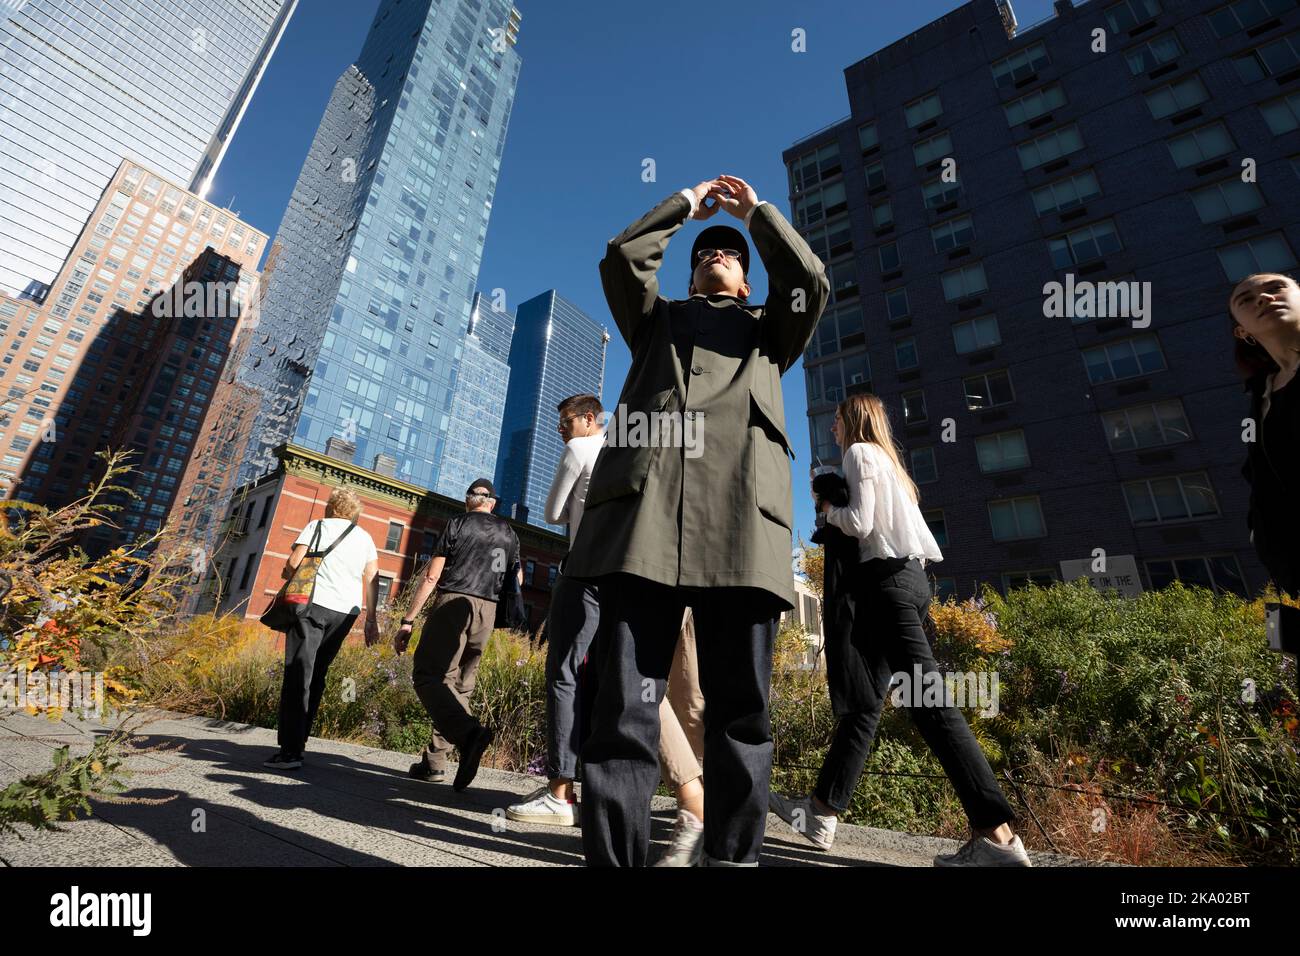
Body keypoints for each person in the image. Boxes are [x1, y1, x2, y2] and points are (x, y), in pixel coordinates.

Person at [565, 174, 830, 866]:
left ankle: (730, 858)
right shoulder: (655, 323)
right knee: (622, 710)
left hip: (743, 529)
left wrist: (756, 215)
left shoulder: (774, 331)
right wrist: (686, 203)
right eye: (706, 253)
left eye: (732, 254)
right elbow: (624, 256)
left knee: (741, 712)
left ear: (747, 281)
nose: (718, 256)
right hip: (644, 527)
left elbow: (810, 277)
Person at [769, 394, 1031, 866]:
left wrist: (827, 508)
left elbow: (859, 522)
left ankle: (998, 837)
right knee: (868, 704)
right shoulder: (893, 468)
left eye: (836, 422)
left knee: (932, 706)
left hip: (887, 588)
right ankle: (821, 811)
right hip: (906, 584)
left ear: (854, 420)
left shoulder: (860, 453)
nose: (833, 430)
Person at [506, 394, 605, 826]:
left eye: (565, 421)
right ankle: (589, 789)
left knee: (563, 675)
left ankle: (560, 793)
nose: (559, 430)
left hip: (581, 571)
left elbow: (551, 512)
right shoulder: (622, 451)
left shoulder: (579, 449)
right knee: (602, 683)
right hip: (617, 580)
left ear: (589, 419)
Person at [396, 479, 521, 791]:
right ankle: (434, 762)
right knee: (462, 686)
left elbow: (432, 575)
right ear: (492, 502)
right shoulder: (509, 533)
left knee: (428, 675)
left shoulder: (458, 524)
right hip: (488, 611)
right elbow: (514, 575)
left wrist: (408, 620)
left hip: (453, 602)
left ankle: (468, 734)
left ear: (470, 500)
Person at [264, 486, 380, 770]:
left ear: (331, 507)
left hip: (313, 604)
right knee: (317, 674)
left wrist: (291, 574)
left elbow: (293, 562)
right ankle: (299, 742)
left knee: (298, 673)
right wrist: (371, 619)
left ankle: (291, 752)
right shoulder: (364, 537)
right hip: (346, 612)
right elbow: (372, 577)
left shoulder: (317, 525)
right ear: (354, 514)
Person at [1230, 272, 1300, 597]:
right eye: (1246, 299)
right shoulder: (1262, 396)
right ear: (1242, 332)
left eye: (1276, 288)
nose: (1264, 298)